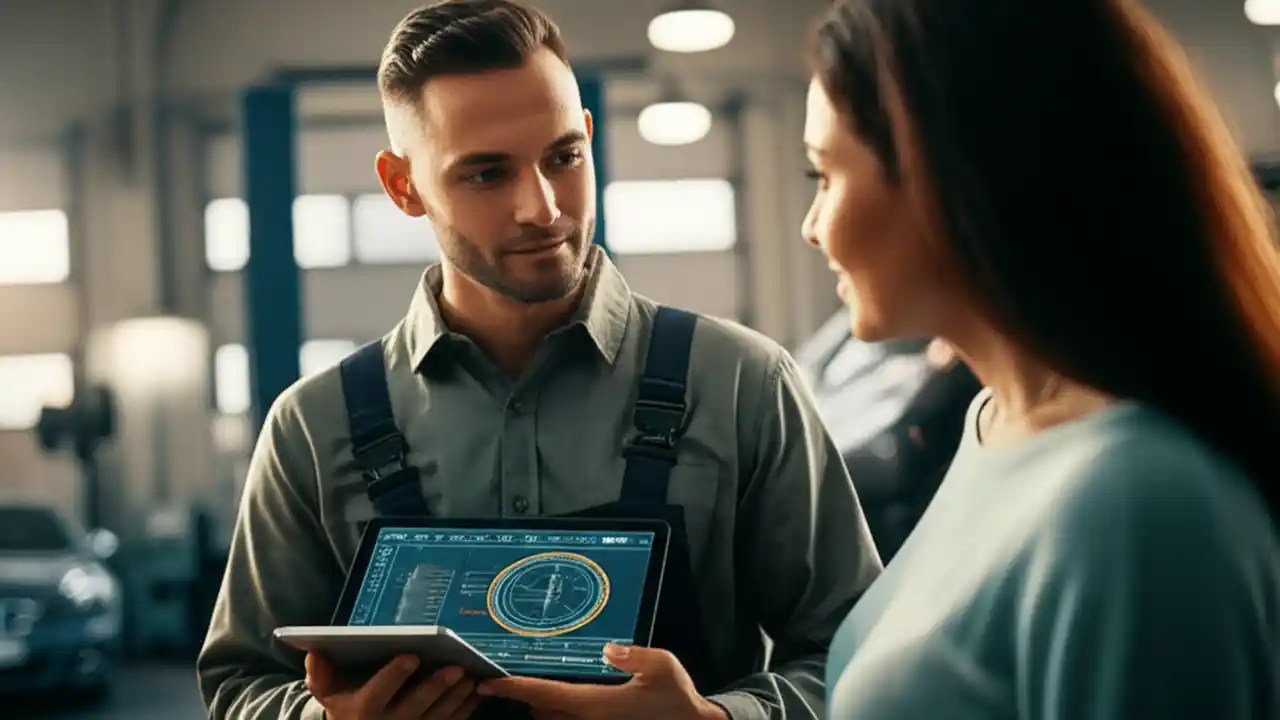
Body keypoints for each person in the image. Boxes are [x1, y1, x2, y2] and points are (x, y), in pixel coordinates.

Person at [196, 1, 883, 718]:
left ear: (588, 136)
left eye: (563, 157)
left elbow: (861, 658)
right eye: (487, 175)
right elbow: (241, 684)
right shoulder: (312, 428)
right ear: (404, 187)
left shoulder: (743, 385)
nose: (543, 207)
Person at [800, 0, 1280, 717]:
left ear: (944, 172)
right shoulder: (996, 425)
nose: (812, 228)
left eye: (825, 176)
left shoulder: (1136, 499)